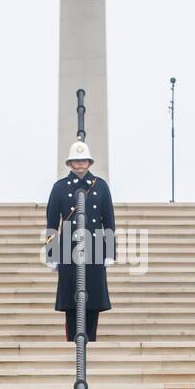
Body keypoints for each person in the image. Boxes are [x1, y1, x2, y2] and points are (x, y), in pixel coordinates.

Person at [44, 141, 115, 341]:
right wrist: (51, 253)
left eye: (83, 160)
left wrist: (110, 252)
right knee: (71, 300)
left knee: (93, 301)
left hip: (94, 250)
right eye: (76, 160)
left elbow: (108, 221)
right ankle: (73, 341)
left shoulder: (100, 186)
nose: (80, 164)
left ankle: (90, 338)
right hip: (69, 249)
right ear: (69, 164)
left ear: (89, 162)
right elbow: (51, 223)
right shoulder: (59, 188)